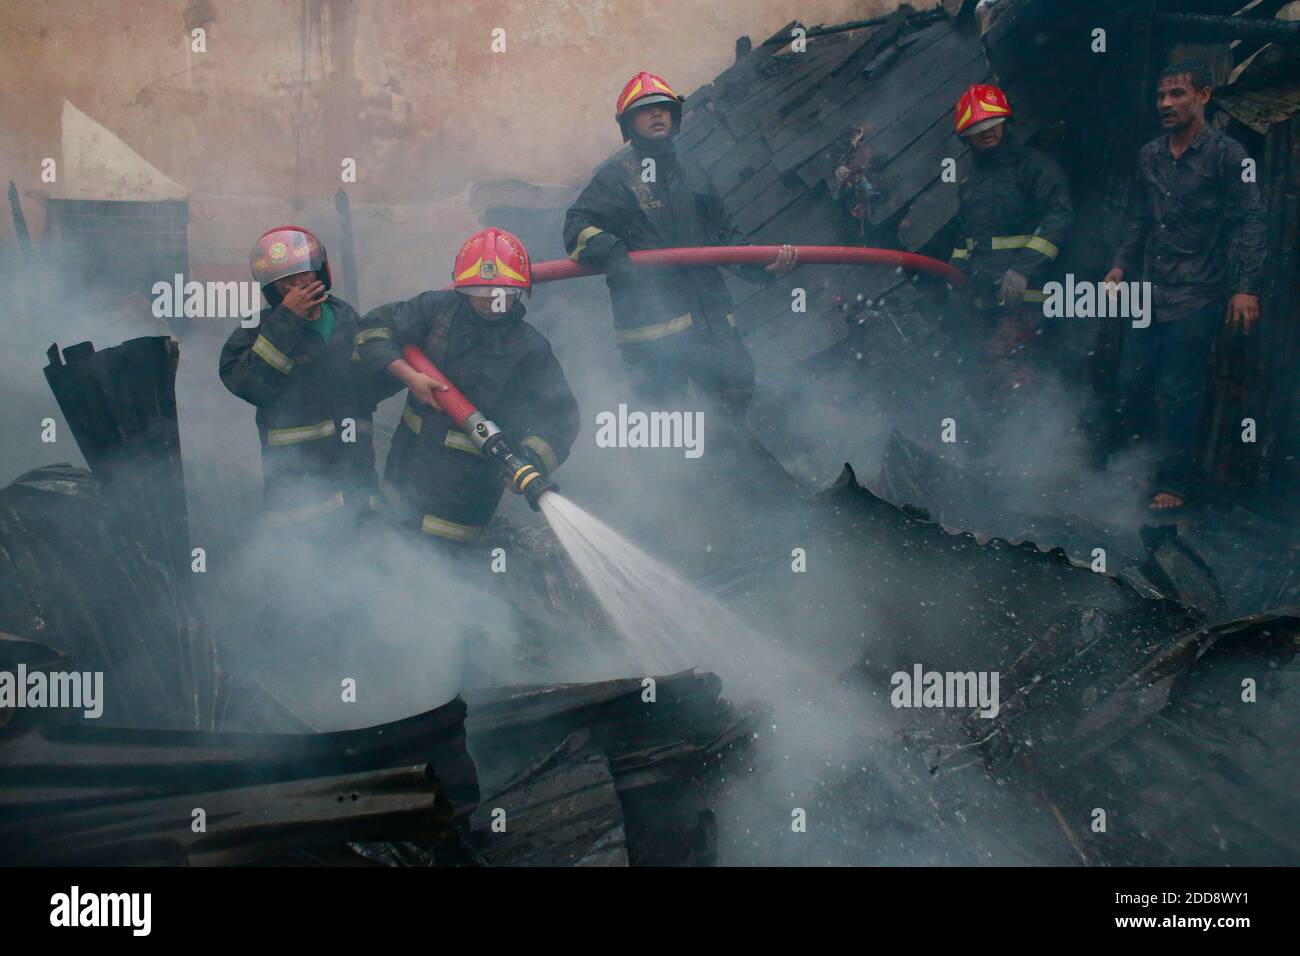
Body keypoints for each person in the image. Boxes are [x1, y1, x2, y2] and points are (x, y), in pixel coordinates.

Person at [564, 71, 797, 418]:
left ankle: (737, 469)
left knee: (736, 397)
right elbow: (576, 229)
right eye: (646, 110)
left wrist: (764, 266)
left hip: (712, 321)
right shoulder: (616, 179)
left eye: (663, 108)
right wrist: (615, 254)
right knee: (666, 425)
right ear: (629, 124)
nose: (657, 115)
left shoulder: (694, 174)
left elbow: (725, 238)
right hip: (653, 334)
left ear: (674, 119)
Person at [1104, 60, 1267, 510]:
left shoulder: (1229, 155)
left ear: (1204, 96)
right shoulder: (1150, 155)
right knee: (1131, 382)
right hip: (1147, 291)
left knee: (1179, 389)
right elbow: (1139, 219)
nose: (1166, 103)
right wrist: (1120, 266)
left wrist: (1246, 286)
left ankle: (1174, 483)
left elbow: (1252, 218)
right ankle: (1133, 468)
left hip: (1197, 292)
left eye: (1177, 94)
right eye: (1161, 96)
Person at [354, 227, 580, 546]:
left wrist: (530, 460)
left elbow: (561, 420)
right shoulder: (436, 312)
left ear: (520, 291)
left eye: (501, 293)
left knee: (450, 588)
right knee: (387, 572)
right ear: (463, 289)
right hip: (402, 487)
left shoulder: (530, 349)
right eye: (480, 292)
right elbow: (372, 327)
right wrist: (408, 375)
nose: (490, 302)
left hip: (460, 511)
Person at [220, 225, 378, 530]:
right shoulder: (257, 326)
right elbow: (248, 384)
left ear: (321, 272)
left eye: (305, 273)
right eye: (287, 279)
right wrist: (287, 320)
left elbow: (370, 384)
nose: (300, 283)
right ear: (271, 288)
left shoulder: (346, 317)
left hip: (358, 489)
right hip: (299, 504)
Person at [948, 83, 1073, 398]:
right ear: (965, 137)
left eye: (992, 123)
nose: (987, 131)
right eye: (977, 127)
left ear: (1005, 121)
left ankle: (1032, 435)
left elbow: (1059, 219)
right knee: (983, 373)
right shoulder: (970, 182)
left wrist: (1022, 270)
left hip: (1029, 297)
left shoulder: (1036, 168)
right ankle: (1003, 441)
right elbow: (968, 239)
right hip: (986, 299)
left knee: (1006, 361)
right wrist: (955, 271)